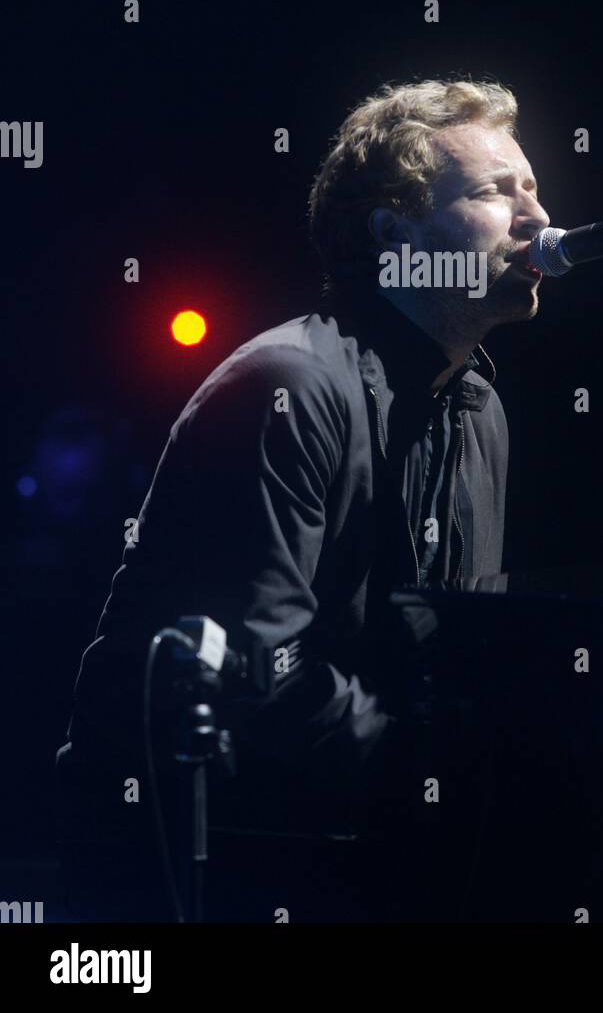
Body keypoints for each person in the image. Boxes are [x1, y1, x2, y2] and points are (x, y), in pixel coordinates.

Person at [54, 76, 550, 921]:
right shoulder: (288, 384)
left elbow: (457, 647)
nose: (537, 219)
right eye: (496, 193)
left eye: (534, 189)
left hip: (347, 844)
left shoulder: (480, 406)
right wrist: (443, 769)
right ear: (398, 234)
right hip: (207, 863)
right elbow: (264, 668)